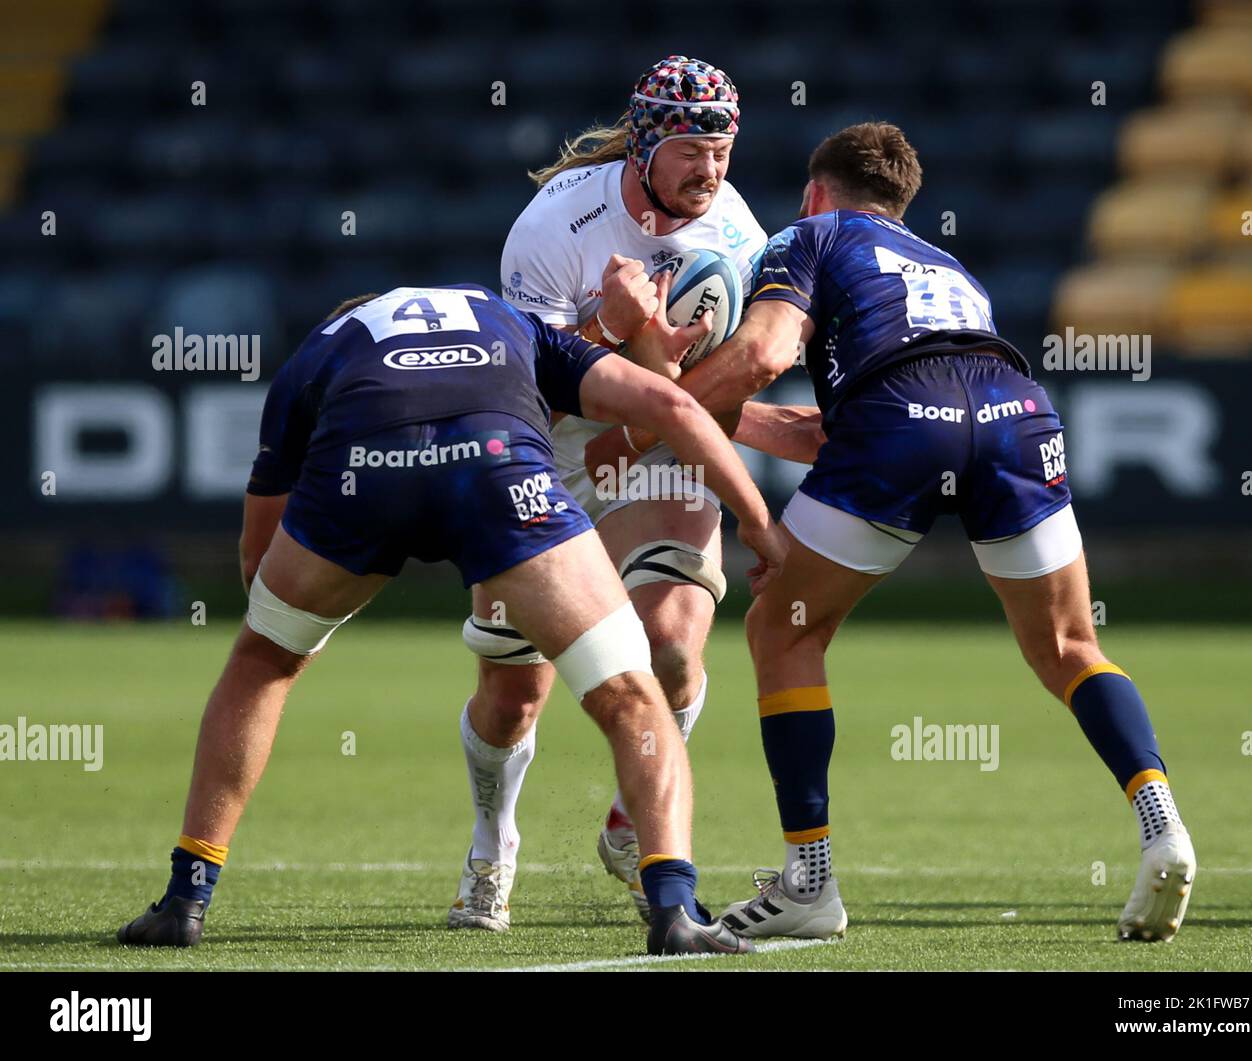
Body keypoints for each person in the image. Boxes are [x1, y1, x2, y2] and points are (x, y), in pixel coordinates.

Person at [613, 121, 1196, 943]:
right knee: (1070, 646)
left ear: (817, 193)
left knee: (784, 630)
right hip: (1014, 409)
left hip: (900, 420)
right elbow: (817, 421)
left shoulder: (809, 234)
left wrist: (649, 408)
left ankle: (809, 882)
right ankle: (1163, 823)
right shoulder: (946, 264)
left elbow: (761, 354)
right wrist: (716, 416)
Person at [116, 284, 785, 956]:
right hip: (497, 472)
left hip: (365, 471)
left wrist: (281, 628)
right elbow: (669, 404)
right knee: (631, 696)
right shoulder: (512, 321)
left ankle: (187, 897)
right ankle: (672, 909)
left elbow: (257, 550)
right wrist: (757, 522)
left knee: (261, 665)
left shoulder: (319, 350)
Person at [450, 54, 819, 929]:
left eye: (724, 149)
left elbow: (715, 381)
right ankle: (491, 838)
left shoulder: (734, 228)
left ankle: (632, 817)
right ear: (646, 146)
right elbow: (519, 381)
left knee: (673, 643)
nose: (712, 170)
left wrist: (738, 421)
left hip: (655, 451)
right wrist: (607, 328)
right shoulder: (554, 225)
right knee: (514, 694)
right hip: (547, 452)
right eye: (693, 149)